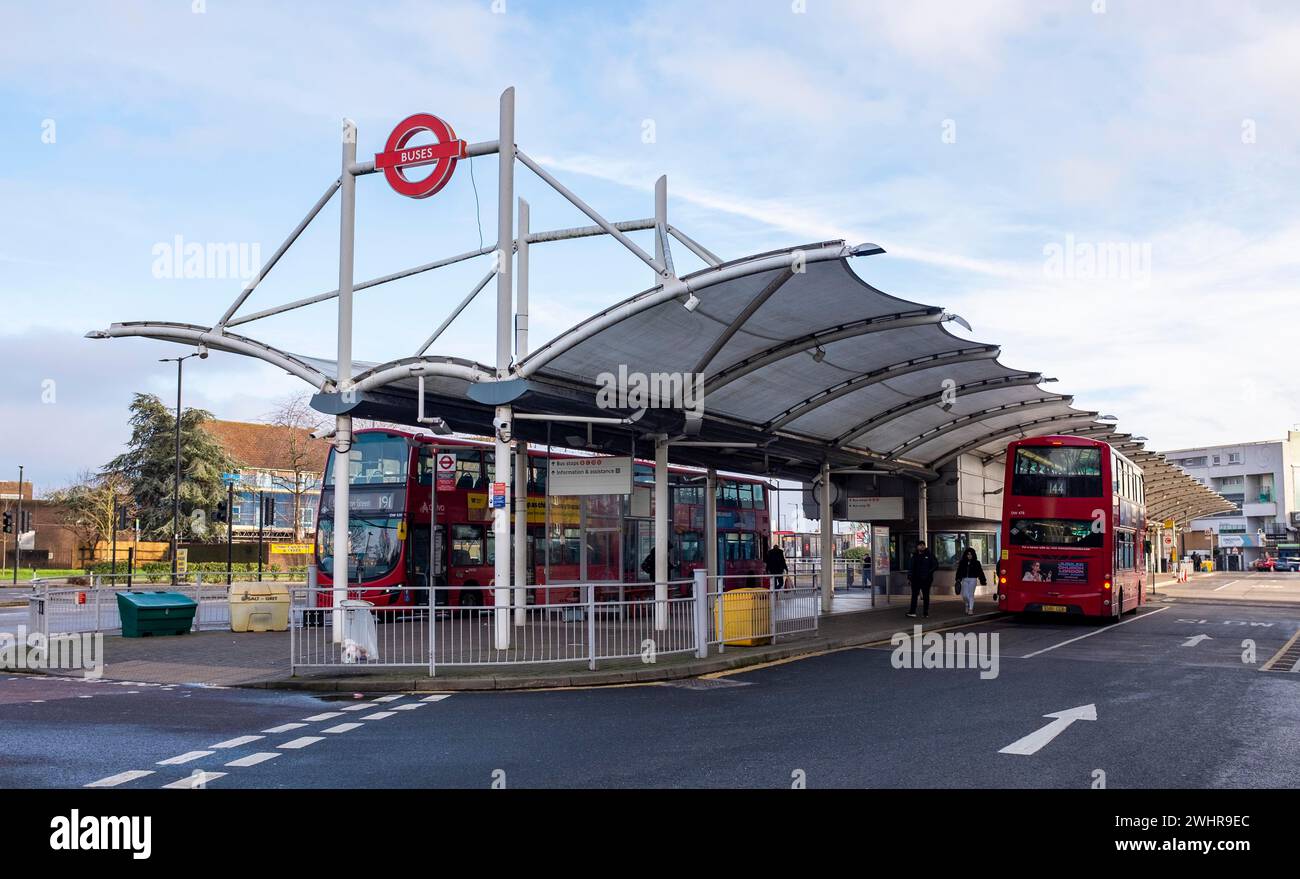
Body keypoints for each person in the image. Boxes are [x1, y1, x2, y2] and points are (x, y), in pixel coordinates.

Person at [907, 541, 937, 618]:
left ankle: (925, 613)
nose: (922, 546)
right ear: (917, 547)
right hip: (915, 579)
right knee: (914, 596)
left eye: (923, 545)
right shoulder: (914, 556)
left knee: (926, 596)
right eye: (920, 545)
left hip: (926, 579)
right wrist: (909, 578)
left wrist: (928, 573)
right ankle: (912, 612)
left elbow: (935, 565)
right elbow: (911, 567)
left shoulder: (929, 555)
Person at [954, 547, 987, 615]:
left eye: (971, 554)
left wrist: (983, 580)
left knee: (971, 594)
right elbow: (959, 571)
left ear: (973, 555)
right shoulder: (962, 562)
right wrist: (958, 579)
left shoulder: (977, 563)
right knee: (965, 595)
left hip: (973, 579)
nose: (969, 556)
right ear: (966, 555)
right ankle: (967, 604)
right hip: (964, 579)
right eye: (968, 554)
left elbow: (980, 572)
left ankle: (970, 609)